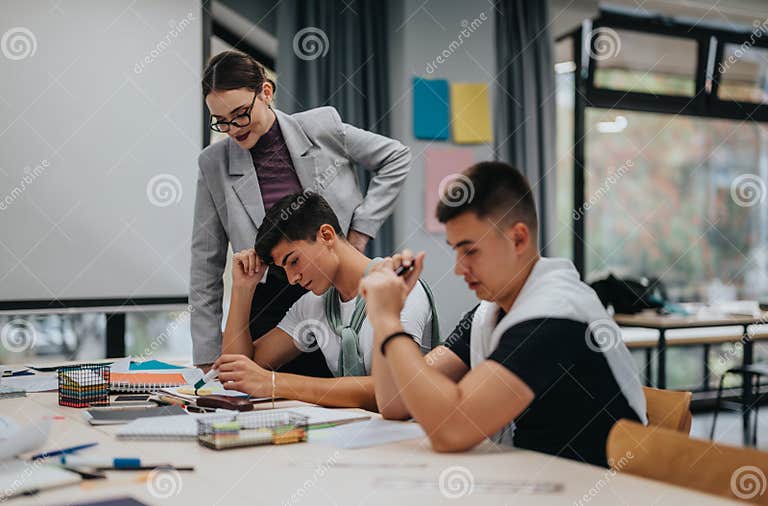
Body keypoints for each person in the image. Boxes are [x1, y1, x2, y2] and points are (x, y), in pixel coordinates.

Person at [360, 161, 646, 467]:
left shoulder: (554, 317)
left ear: (518, 238)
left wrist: (389, 321)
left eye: (470, 251)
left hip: (601, 485)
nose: (459, 269)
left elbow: (451, 430)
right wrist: (389, 315)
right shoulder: (490, 314)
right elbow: (395, 402)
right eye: (456, 250)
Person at [190, 50, 411, 373]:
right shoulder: (214, 163)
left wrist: (360, 231)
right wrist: (207, 355)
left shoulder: (321, 126)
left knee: (345, 381)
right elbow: (205, 263)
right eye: (221, 121)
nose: (233, 129)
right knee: (263, 388)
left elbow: (396, 156)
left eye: (239, 114)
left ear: (266, 92)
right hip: (269, 299)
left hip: (334, 284)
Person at [213, 192, 437, 411]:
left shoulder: (400, 287)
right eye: (284, 269)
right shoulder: (313, 305)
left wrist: (274, 383)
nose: (292, 279)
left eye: (294, 261)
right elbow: (238, 370)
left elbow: (389, 391)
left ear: (327, 235)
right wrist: (242, 289)